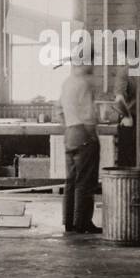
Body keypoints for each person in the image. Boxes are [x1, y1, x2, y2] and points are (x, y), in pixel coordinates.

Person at [60, 63, 101, 234]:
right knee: (85, 181)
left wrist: (69, 126)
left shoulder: (67, 82)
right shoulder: (83, 84)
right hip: (83, 133)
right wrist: (93, 136)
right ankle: (82, 223)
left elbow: (58, 111)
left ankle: (69, 222)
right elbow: (88, 115)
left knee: (70, 181)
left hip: (69, 133)